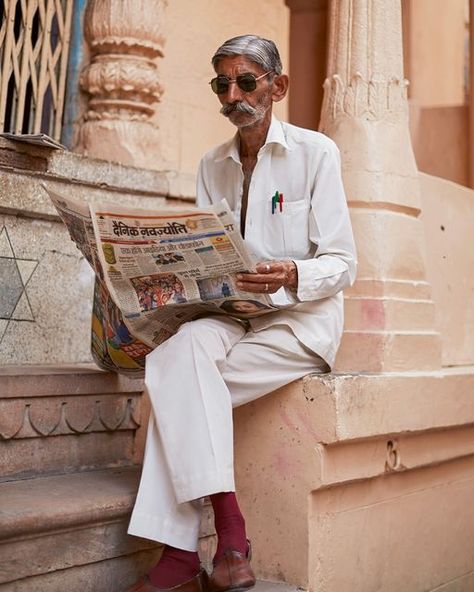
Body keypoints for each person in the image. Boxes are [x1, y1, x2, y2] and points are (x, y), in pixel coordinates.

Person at [126, 34, 357, 592]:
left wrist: (294, 274)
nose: (234, 94)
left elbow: (344, 263)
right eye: (222, 83)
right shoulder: (213, 165)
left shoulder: (316, 153)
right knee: (178, 355)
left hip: (300, 322)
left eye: (246, 81)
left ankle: (188, 554)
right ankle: (228, 541)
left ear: (278, 87)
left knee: (176, 386)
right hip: (233, 316)